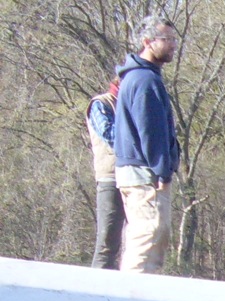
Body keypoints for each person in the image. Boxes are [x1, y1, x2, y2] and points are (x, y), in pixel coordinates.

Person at [113, 15, 181, 274]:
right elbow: (150, 133)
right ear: (147, 42)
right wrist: (163, 170)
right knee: (147, 240)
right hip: (145, 175)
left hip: (139, 173)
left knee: (151, 239)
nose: (173, 45)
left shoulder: (141, 77)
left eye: (175, 39)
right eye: (167, 39)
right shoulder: (144, 80)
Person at [86, 80, 124, 269]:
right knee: (107, 242)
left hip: (136, 179)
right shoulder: (100, 104)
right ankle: (95, 291)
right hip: (110, 179)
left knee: (136, 244)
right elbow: (109, 134)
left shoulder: (132, 106)